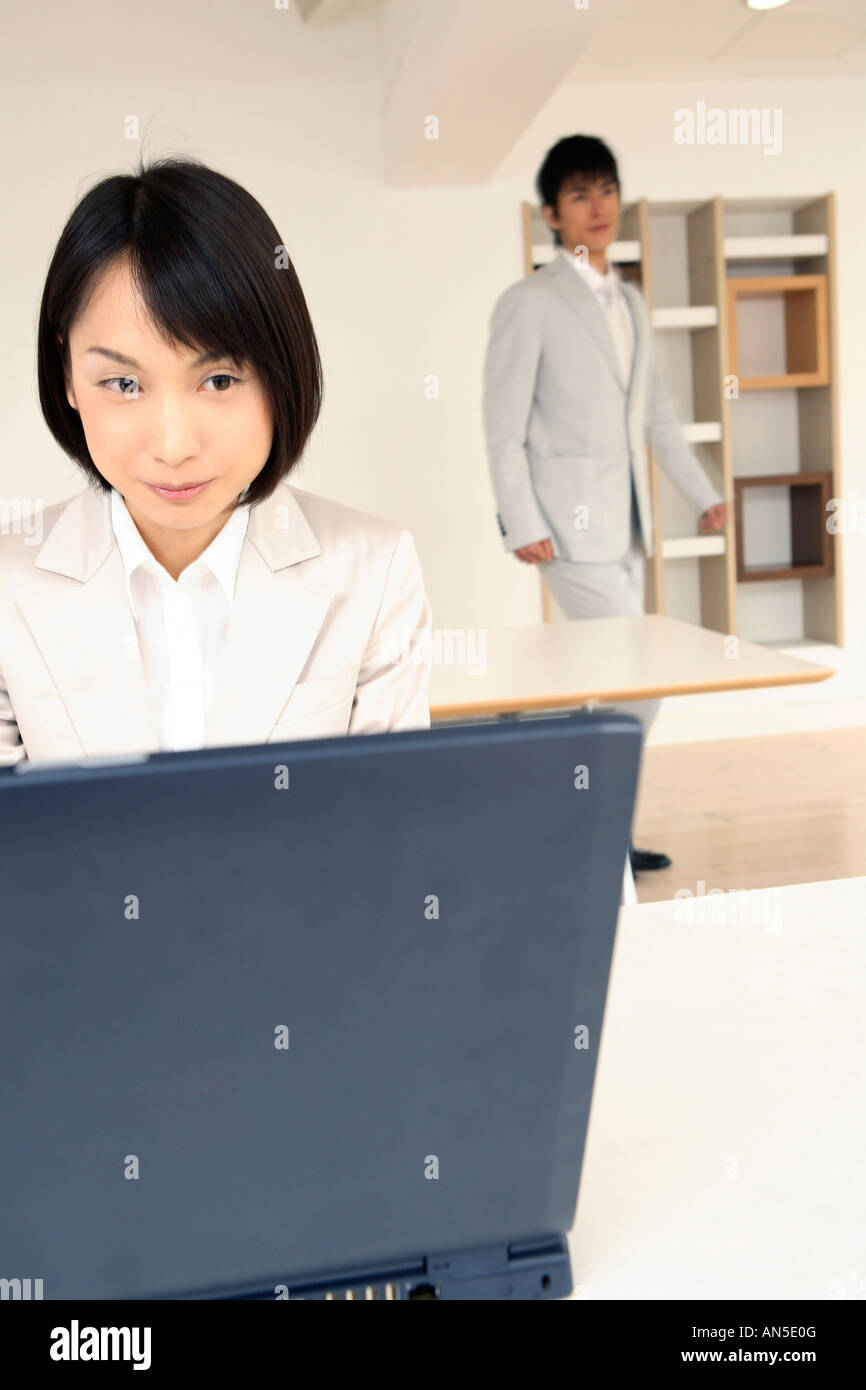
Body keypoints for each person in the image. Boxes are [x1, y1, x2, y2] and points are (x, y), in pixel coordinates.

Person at [0, 157, 432, 766]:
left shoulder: (374, 570)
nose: (174, 446)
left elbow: (394, 828)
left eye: (220, 379)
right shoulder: (6, 588)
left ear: (281, 370)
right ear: (68, 373)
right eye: (123, 384)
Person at [482, 134, 726, 874]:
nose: (598, 207)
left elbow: (655, 417)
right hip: (562, 527)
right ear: (551, 215)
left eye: (607, 190)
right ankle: (528, 747)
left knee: (620, 684)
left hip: (626, 527)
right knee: (638, 673)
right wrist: (519, 519)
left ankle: (593, 832)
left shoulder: (631, 301)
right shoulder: (529, 302)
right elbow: (502, 422)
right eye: (580, 195)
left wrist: (706, 497)